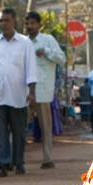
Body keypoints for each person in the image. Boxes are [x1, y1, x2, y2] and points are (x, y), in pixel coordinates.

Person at [0, 7, 36, 177]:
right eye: (1, 20)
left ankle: (18, 163)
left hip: (18, 95)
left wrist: (32, 93)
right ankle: (1, 165)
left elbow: (31, 69)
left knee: (19, 132)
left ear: (14, 21)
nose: (3, 24)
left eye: (6, 20)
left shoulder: (25, 43)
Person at [25, 10, 65, 168]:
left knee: (46, 128)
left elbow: (62, 59)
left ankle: (48, 159)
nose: (29, 26)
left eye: (32, 23)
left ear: (39, 25)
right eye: (27, 23)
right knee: (19, 127)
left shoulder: (48, 40)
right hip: (25, 92)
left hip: (43, 91)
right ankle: (16, 162)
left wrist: (47, 52)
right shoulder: (23, 42)